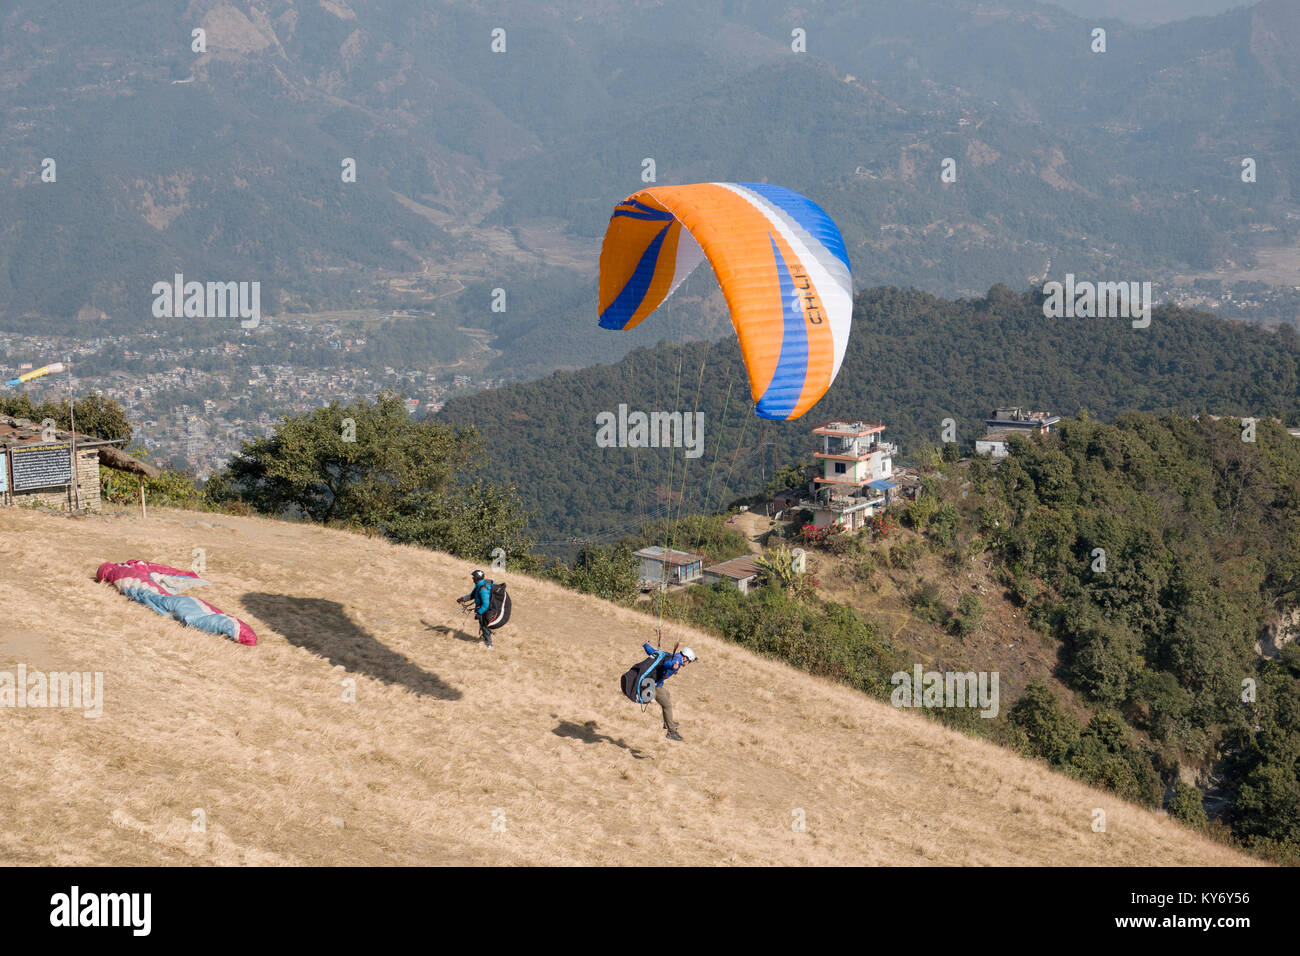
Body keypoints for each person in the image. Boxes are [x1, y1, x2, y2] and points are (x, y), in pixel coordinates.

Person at [641, 639, 696, 741]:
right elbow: (666, 664)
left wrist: (646, 645)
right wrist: (672, 666)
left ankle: (667, 722)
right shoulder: (677, 661)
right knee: (667, 706)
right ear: (685, 658)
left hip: (657, 683)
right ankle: (671, 732)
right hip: (653, 685)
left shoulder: (673, 655)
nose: (689, 663)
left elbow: (653, 653)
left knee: (667, 694)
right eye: (689, 661)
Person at [457, 569, 494, 649]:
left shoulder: (483, 589)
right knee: (483, 626)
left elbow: (486, 604)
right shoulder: (478, 586)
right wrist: (462, 599)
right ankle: (485, 640)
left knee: (484, 627)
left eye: (473, 577)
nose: (472, 578)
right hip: (482, 610)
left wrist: (479, 612)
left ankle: (489, 645)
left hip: (485, 611)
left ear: (477, 578)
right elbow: (472, 595)